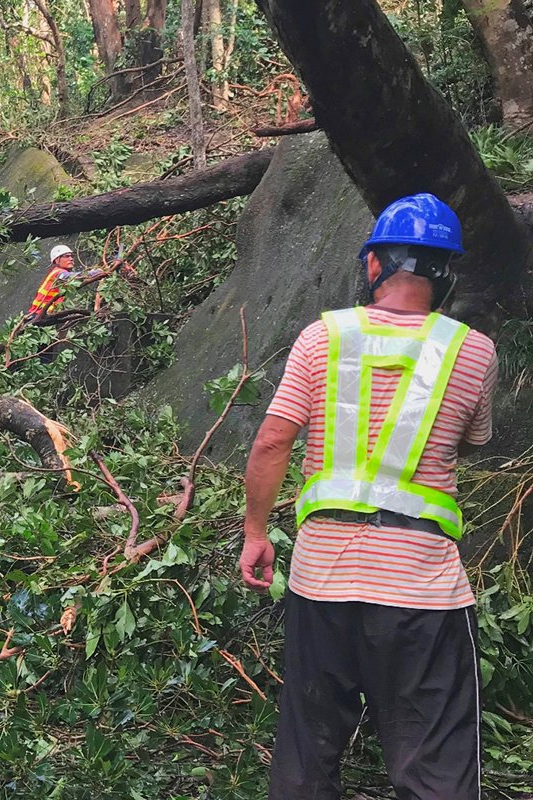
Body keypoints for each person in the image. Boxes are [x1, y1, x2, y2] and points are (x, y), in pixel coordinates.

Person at [240, 194, 498, 800]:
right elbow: (467, 443)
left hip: (321, 579)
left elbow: (273, 441)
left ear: (374, 265)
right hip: (422, 589)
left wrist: (256, 534)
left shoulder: (319, 337)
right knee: (434, 765)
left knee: (308, 753)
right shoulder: (475, 351)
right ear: (445, 273)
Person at [25, 244, 108, 318]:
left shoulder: (61, 274)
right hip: (37, 315)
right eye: (67, 256)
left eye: (71, 256)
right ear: (57, 260)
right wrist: (94, 273)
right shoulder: (57, 273)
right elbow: (73, 277)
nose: (71, 259)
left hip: (45, 314)